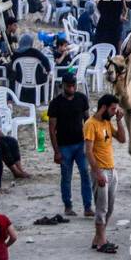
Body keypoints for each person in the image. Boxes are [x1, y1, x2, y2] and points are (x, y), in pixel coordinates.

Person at [85, 94, 127, 254]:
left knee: (109, 208)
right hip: (100, 170)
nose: (114, 112)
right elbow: (88, 151)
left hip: (111, 169)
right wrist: (97, 173)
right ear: (103, 107)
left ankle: (98, 238)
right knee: (101, 208)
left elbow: (122, 139)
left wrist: (119, 120)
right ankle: (101, 241)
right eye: (112, 109)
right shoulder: (91, 124)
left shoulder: (107, 122)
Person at [48, 74, 93, 217]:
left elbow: (88, 121)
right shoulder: (55, 103)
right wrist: (56, 151)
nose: (72, 88)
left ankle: (87, 206)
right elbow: (52, 129)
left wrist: (90, 143)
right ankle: (68, 205)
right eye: (69, 86)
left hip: (80, 144)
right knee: (66, 176)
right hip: (64, 145)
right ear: (63, 86)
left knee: (85, 174)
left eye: (74, 85)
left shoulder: (81, 99)